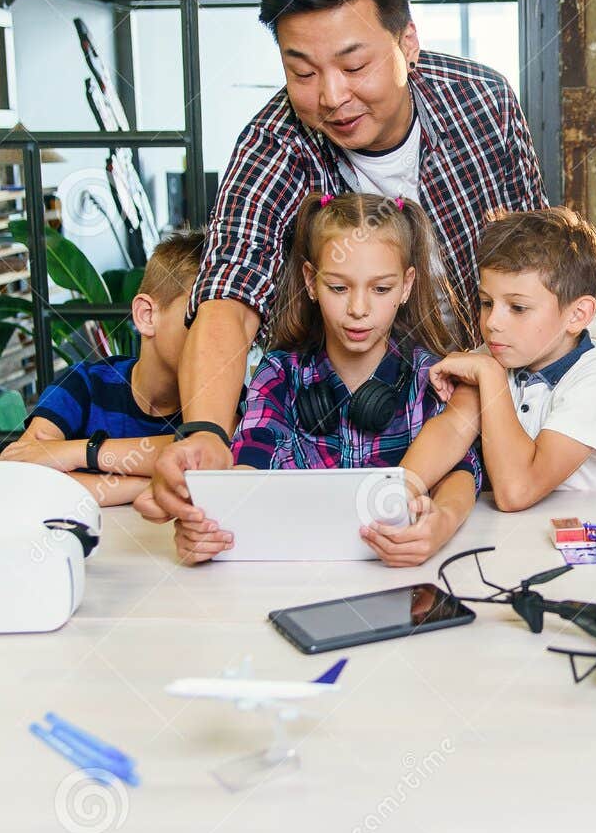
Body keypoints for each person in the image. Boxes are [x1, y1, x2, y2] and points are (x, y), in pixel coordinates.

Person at [147, 0, 546, 524]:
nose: (332, 97)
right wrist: (206, 430)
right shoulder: (272, 144)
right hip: (342, 433)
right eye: (302, 72)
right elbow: (229, 296)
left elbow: (538, 265)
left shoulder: (482, 104)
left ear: (407, 43)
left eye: (354, 66)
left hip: (496, 414)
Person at [138, 194, 482, 567]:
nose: (358, 309)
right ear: (311, 281)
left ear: (406, 285)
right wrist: (208, 523)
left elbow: (460, 470)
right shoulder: (279, 375)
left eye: (381, 289)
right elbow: (250, 460)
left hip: (398, 575)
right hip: (296, 575)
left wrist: (443, 522)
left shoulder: (430, 377)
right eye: (338, 287)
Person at [422, 207, 596, 512]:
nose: (492, 322)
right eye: (486, 302)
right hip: (498, 534)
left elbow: (516, 492)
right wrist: (397, 491)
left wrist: (490, 375)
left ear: (577, 315)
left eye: (518, 308)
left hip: (580, 535)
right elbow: (450, 432)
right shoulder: (491, 357)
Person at [0, 230, 204, 505]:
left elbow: (206, 459)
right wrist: (151, 486)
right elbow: (23, 474)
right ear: (146, 316)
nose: (218, 337)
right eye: (198, 316)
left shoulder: (228, 399)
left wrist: (79, 453)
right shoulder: (84, 385)